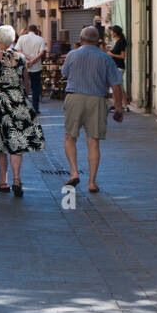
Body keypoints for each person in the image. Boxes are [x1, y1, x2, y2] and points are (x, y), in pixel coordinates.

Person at [0, 25, 46, 195]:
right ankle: (16, 179)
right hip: (17, 102)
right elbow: (27, 84)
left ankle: (3, 182)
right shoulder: (21, 58)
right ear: (11, 40)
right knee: (16, 141)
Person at [62, 25, 126, 192]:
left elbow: (65, 73)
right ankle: (92, 182)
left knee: (70, 137)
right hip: (97, 100)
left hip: (74, 97)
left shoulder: (72, 54)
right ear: (98, 41)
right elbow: (117, 85)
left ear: (81, 40)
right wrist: (118, 107)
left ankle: (74, 172)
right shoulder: (105, 58)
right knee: (93, 141)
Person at [16, 24, 47, 115]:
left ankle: (23, 107)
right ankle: (35, 108)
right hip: (36, 67)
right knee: (36, 88)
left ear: (28, 30)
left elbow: (18, 50)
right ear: (36, 31)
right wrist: (33, 60)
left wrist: (27, 59)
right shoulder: (40, 39)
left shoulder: (22, 38)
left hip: (24, 66)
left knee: (23, 86)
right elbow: (41, 52)